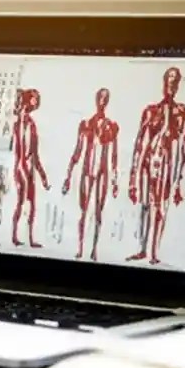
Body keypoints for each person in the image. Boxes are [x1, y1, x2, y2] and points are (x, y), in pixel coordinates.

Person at [127, 67, 185, 265]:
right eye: (169, 79)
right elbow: (141, 144)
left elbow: (184, 147)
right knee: (146, 205)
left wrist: (179, 182)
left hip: (166, 164)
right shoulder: (151, 111)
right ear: (164, 82)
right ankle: (142, 249)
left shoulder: (181, 113)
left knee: (160, 207)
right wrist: (133, 179)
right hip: (149, 162)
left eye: (175, 80)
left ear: (178, 84)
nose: (171, 83)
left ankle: (154, 252)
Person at [62, 88, 120, 261]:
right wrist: (68, 175)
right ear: (96, 100)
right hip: (87, 171)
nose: (102, 101)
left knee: (98, 212)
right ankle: (80, 248)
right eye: (100, 98)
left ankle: (94, 249)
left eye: (105, 98)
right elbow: (78, 151)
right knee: (84, 209)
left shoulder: (111, 126)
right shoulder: (86, 124)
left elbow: (114, 155)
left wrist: (115, 180)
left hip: (102, 173)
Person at [11, 88, 49, 247]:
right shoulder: (19, 123)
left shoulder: (31, 124)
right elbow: (20, 148)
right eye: (33, 99)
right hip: (22, 167)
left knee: (31, 203)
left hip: (29, 167)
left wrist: (43, 176)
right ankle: (15, 236)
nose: (34, 102)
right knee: (21, 201)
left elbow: (35, 153)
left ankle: (30, 237)